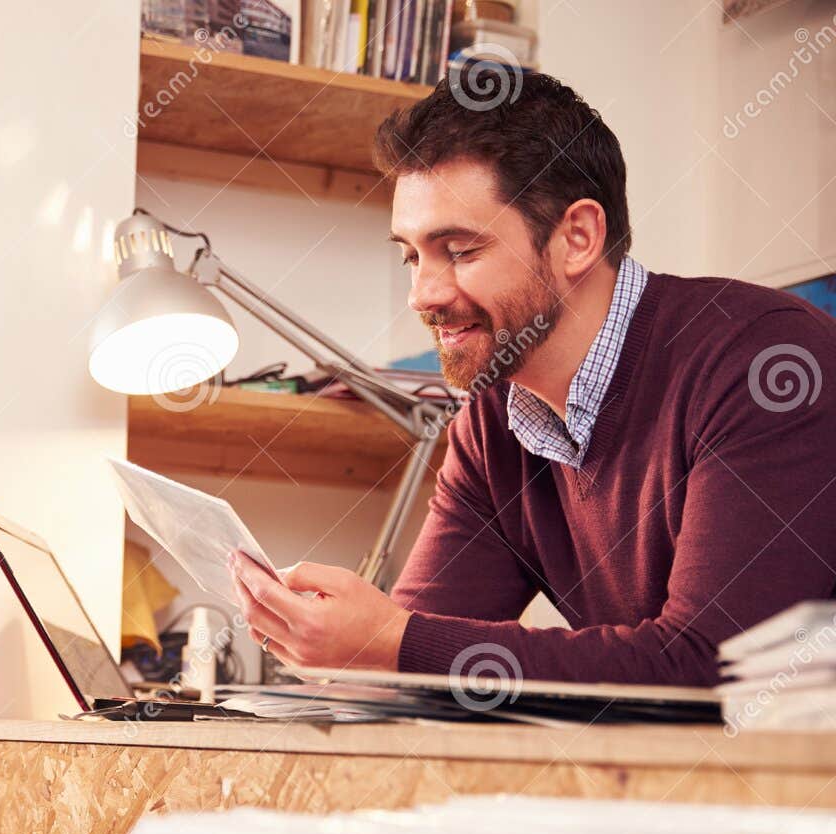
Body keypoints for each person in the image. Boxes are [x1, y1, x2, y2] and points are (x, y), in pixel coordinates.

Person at [228, 71, 836, 687]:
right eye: (412, 256)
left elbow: (714, 668)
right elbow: (417, 660)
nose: (422, 295)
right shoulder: (493, 424)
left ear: (577, 238)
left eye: (460, 251)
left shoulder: (763, 361)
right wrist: (348, 648)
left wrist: (389, 640)